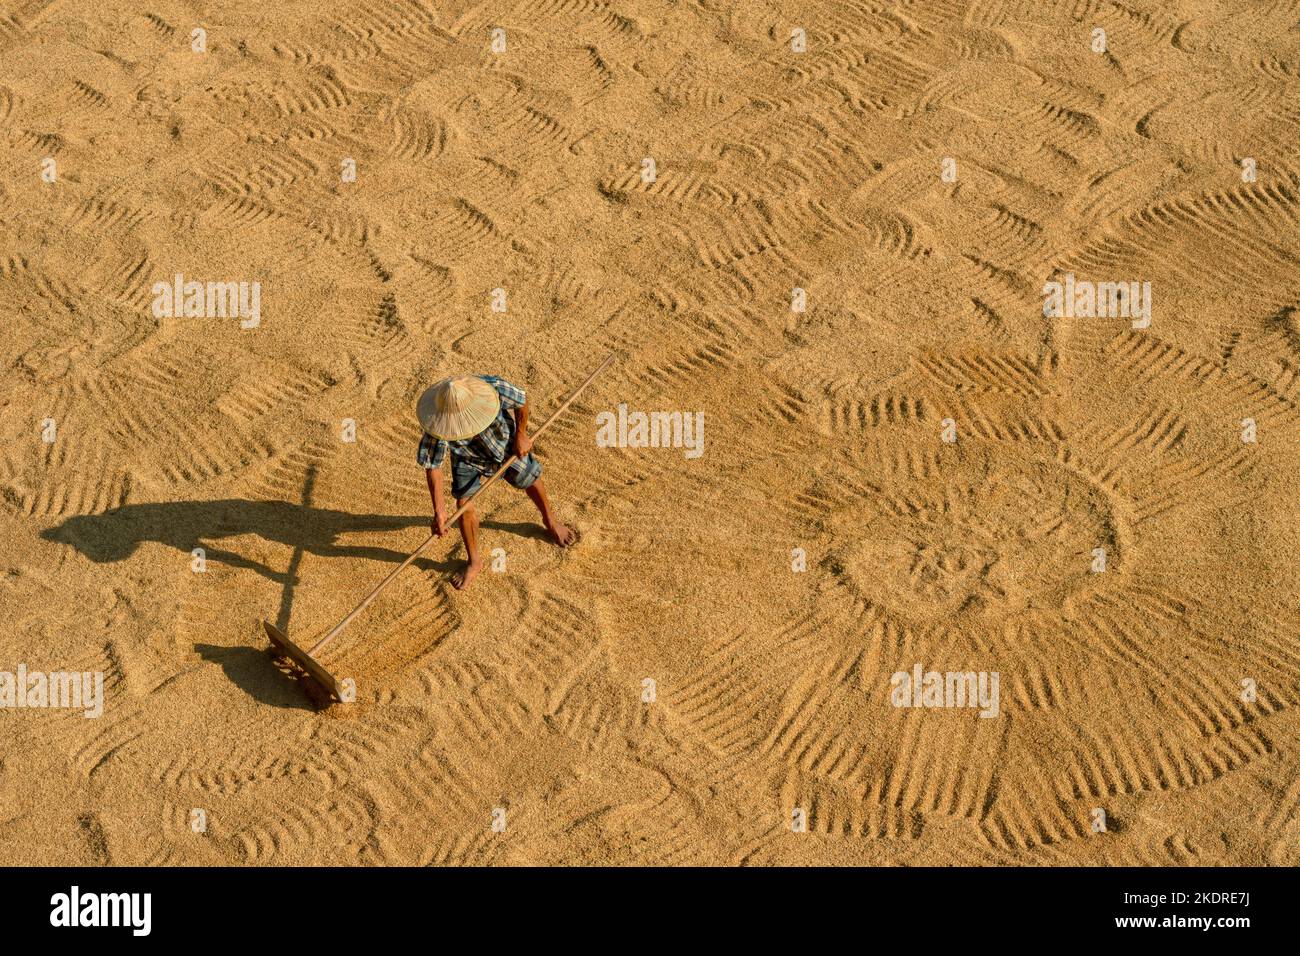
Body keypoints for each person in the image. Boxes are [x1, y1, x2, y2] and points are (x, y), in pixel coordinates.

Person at [416, 374, 576, 589]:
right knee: (463, 505)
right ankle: (474, 561)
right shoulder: (437, 423)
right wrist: (440, 511)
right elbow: (433, 466)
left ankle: (550, 520)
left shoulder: (494, 388)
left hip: (504, 443)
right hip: (466, 458)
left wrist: (521, 434)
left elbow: (522, 400)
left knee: (529, 476)